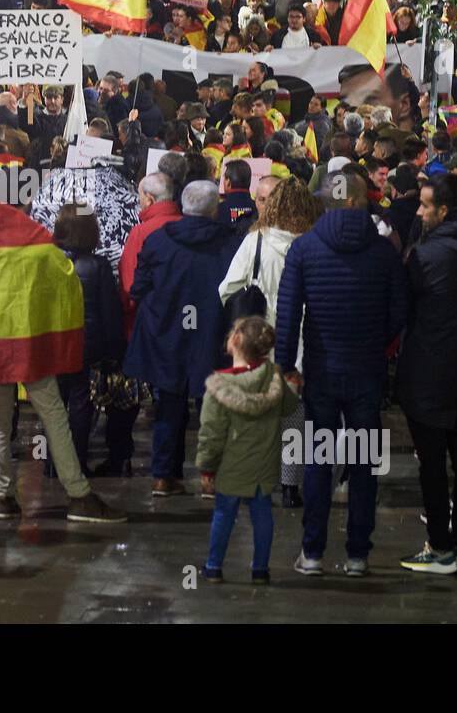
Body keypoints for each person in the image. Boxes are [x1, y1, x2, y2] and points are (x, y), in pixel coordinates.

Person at [0, 202, 126, 523]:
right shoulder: (37, 251)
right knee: (55, 417)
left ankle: (2, 496)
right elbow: (64, 279)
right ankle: (78, 494)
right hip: (30, 345)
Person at [275, 172, 406, 577]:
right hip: (367, 371)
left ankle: (312, 552)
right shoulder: (384, 252)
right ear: (360, 201)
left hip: (321, 371)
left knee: (317, 459)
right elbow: (400, 312)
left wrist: (285, 365)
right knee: (364, 462)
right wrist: (376, 344)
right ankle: (357, 555)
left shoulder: (304, 248)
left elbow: (288, 311)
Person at [395, 174, 457, 575]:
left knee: (433, 465)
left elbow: (407, 308)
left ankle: (439, 547)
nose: (418, 212)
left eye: (424, 206)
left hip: (430, 372)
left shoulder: (426, 255)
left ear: (443, 210)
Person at [125, 181, 240, 498]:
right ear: (214, 207)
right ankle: (211, 477)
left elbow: (139, 286)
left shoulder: (158, 240)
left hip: (168, 334)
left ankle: (163, 475)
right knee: (214, 408)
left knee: (169, 405)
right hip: (214, 333)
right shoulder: (231, 243)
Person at [220, 176, 320, 508]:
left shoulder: (256, 242)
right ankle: (291, 485)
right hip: (305, 337)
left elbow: (228, 288)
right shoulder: (314, 242)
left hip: (261, 337)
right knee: (295, 413)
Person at [197, 317, 299, 584]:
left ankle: (213, 567)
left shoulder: (219, 388)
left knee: (224, 515)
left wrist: (207, 468)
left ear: (237, 341)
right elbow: (289, 408)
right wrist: (293, 387)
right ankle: (260, 570)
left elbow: (211, 434)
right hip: (264, 467)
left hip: (231, 468)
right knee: (262, 515)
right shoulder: (273, 379)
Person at [51, 203, 125, 477]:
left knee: (54, 405)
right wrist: (115, 350)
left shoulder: (48, 261)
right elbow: (109, 312)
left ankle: (51, 464)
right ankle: (76, 463)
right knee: (81, 405)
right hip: (87, 345)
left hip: (54, 342)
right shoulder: (99, 266)